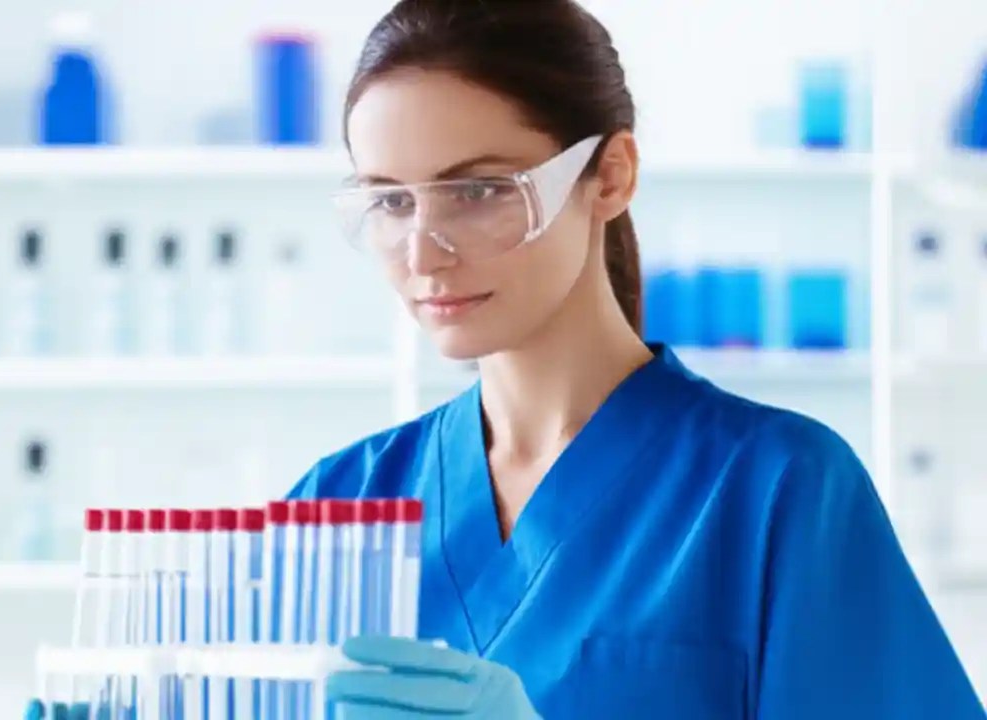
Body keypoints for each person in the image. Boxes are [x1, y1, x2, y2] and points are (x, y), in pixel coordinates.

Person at [285, 0, 987, 718]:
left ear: (612, 175)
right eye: (391, 201)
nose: (423, 251)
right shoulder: (337, 508)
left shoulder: (777, 491)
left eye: (479, 190)